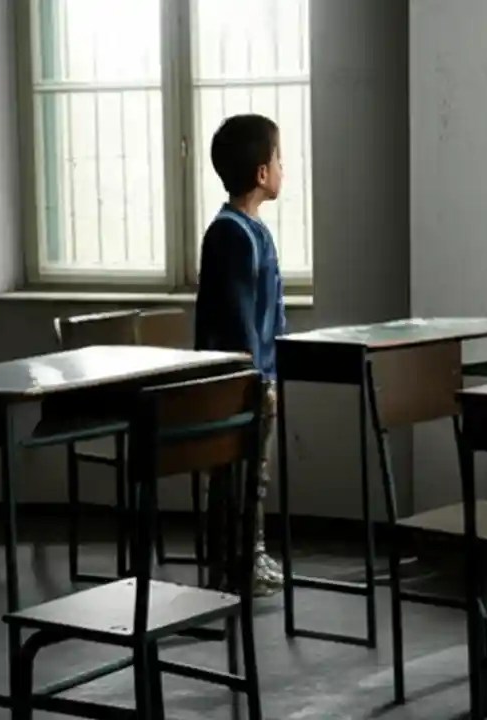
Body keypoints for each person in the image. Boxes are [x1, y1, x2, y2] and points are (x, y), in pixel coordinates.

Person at [194, 113, 287, 597]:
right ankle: (232, 563)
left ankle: (251, 554)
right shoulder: (229, 234)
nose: (282, 167)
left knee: (256, 475)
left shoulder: (255, 231)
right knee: (235, 476)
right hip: (238, 383)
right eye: (278, 158)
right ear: (261, 173)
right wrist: (254, 380)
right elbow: (237, 319)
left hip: (261, 375)